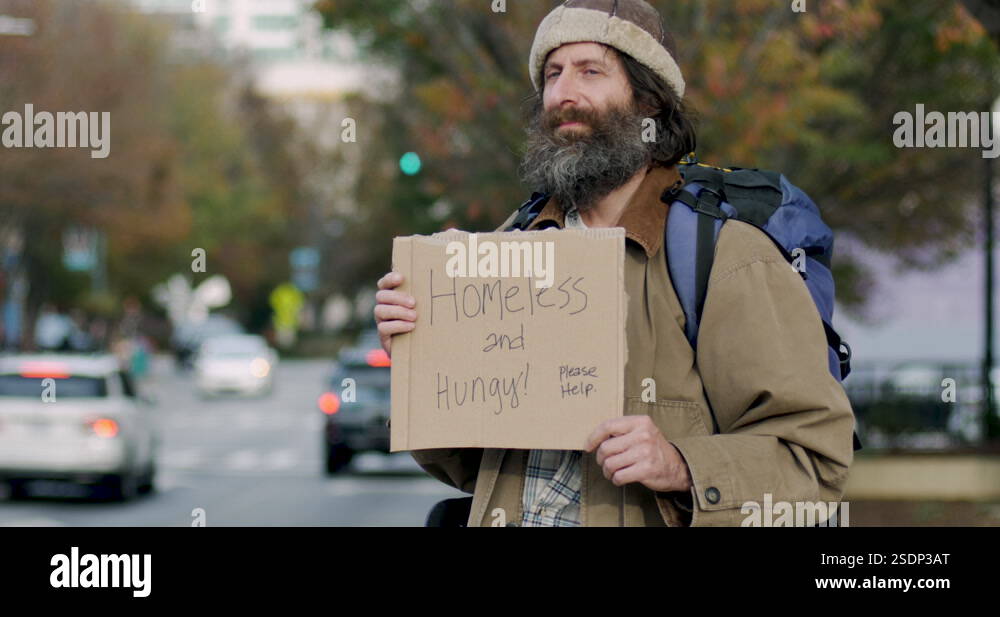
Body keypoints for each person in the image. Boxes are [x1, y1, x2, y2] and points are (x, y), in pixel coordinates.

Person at [374, 0, 856, 526]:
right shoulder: (511, 246)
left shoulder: (725, 254)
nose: (562, 94)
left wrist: (682, 467)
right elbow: (474, 467)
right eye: (552, 75)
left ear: (649, 103)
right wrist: (424, 360)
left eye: (590, 71)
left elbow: (815, 463)